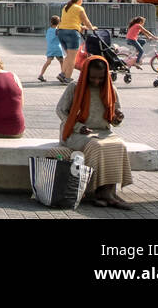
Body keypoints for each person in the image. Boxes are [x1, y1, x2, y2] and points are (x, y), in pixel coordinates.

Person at [56, 55, 134, 209]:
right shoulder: (74, 86)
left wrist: (118, 118)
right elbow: (60, 110)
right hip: (75, 133)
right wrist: (78, 126)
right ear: (85, 73)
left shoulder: (111, 89)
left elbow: (114, 118)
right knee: (97, 146)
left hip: (103, 132)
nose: (97, 81)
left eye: (100, 78)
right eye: (93, 78)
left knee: (119, 146)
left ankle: (108, 192)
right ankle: (95, 192)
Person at [56, 0, 95, 82]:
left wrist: (81, 27)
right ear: (78, 0)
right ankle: (68, 77)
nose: (82, 1)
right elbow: (86, 21)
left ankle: (62, 74)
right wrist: (91, 28)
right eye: (81, 0)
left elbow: (70, 21)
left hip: (61, 32)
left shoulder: (66, 7)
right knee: (73, 58)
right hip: (72, 33)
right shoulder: (79, 8)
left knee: (69, 56)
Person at [38, 15, 65, 81]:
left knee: (48, 62)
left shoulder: (49, 30)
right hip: (57, 48)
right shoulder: (58, 31)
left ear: (51, 22)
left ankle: (41, 74)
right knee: (61, 62)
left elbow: (47, 38)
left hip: (50, 48)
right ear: (59, 22)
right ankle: (63, 75)